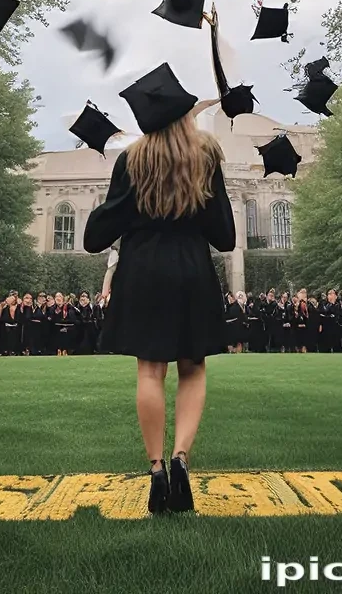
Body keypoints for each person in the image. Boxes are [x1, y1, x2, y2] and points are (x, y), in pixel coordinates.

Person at [83, 65, 235, 515]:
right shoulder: (205, 158)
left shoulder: (132, 162)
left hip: (143, 271)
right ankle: (182, 458)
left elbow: (95, 236)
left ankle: (156, 469)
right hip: (191, 270)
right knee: (193, 368)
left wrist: (125, 209)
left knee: (150, 371)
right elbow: (225, 236)